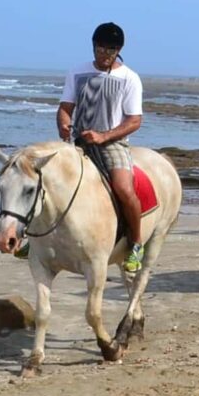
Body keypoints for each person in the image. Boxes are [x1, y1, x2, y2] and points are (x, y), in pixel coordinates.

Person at [58, 21, 147, 271]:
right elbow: (65, 109)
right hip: (77, 141)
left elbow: (134, 120)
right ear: (94, 46)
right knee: (45, 178)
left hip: (113, 144)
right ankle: (33, 238)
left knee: (123, 188)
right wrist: (64, 125)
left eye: (111, 50)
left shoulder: (129, 78)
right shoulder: (77, 72)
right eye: (100, 49)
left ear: (118, 50)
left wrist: (104, 136)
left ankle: (136, 243)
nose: (105, 55)